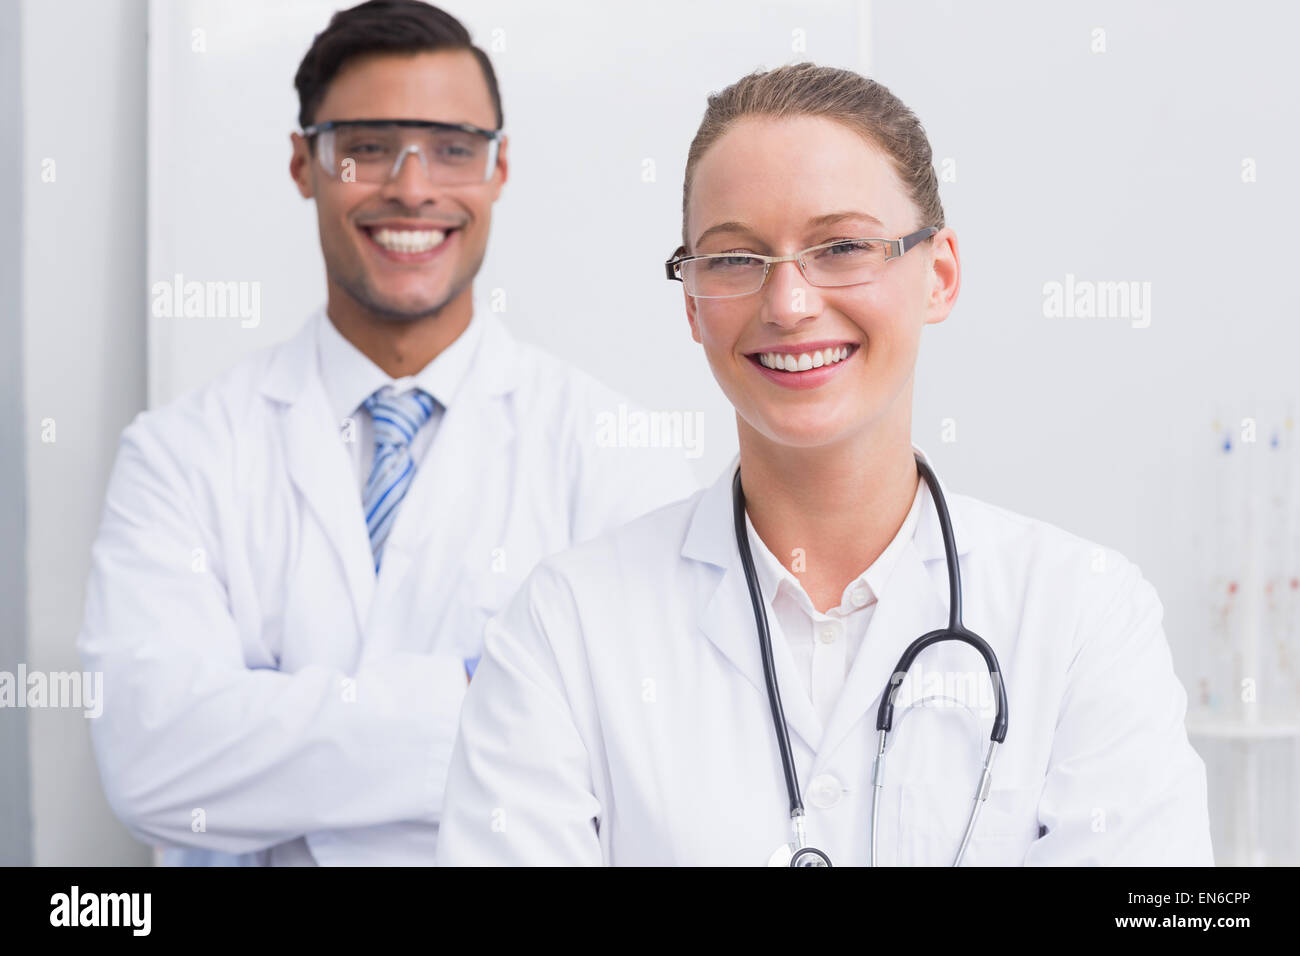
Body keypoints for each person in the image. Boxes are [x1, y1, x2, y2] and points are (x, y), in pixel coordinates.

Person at [436, 62, 1215, 866]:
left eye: (842, 247)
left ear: (938, 275)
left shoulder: (1083, 615)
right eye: (736, 259)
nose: (790, 304)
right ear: (693, 304)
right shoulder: (565, 629)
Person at [76, 0, 696, 866]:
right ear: (305, 163)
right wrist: (488, 698)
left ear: (498, 168)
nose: (412, 187)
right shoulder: (180, 453)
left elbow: (650, 759)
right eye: (368, 147)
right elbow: (150, 762)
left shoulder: (616, 454)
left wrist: (271, 732)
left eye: (452, 149)